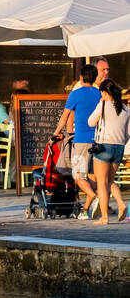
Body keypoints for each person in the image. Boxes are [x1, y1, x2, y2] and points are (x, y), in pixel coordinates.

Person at [57, 64, 105, 219]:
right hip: (98, 140)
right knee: (92, 175)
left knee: (77, 174)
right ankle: (85, 210)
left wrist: (55, 133)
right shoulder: (99, 94)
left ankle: (92, 195)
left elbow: (65, 117)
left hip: (82, 139)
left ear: (81, 77)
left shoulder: (75, 94)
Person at [87, 79, 129, 225]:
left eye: (101, 93)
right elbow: (128, 132)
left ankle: (104, 217)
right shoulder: (125, 108)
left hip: (103, 146)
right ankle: (121, 203)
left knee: (101, 182)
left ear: (105, 92)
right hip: (119, 147)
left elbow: (90, 122)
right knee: (110, 181)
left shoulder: (103, 105)